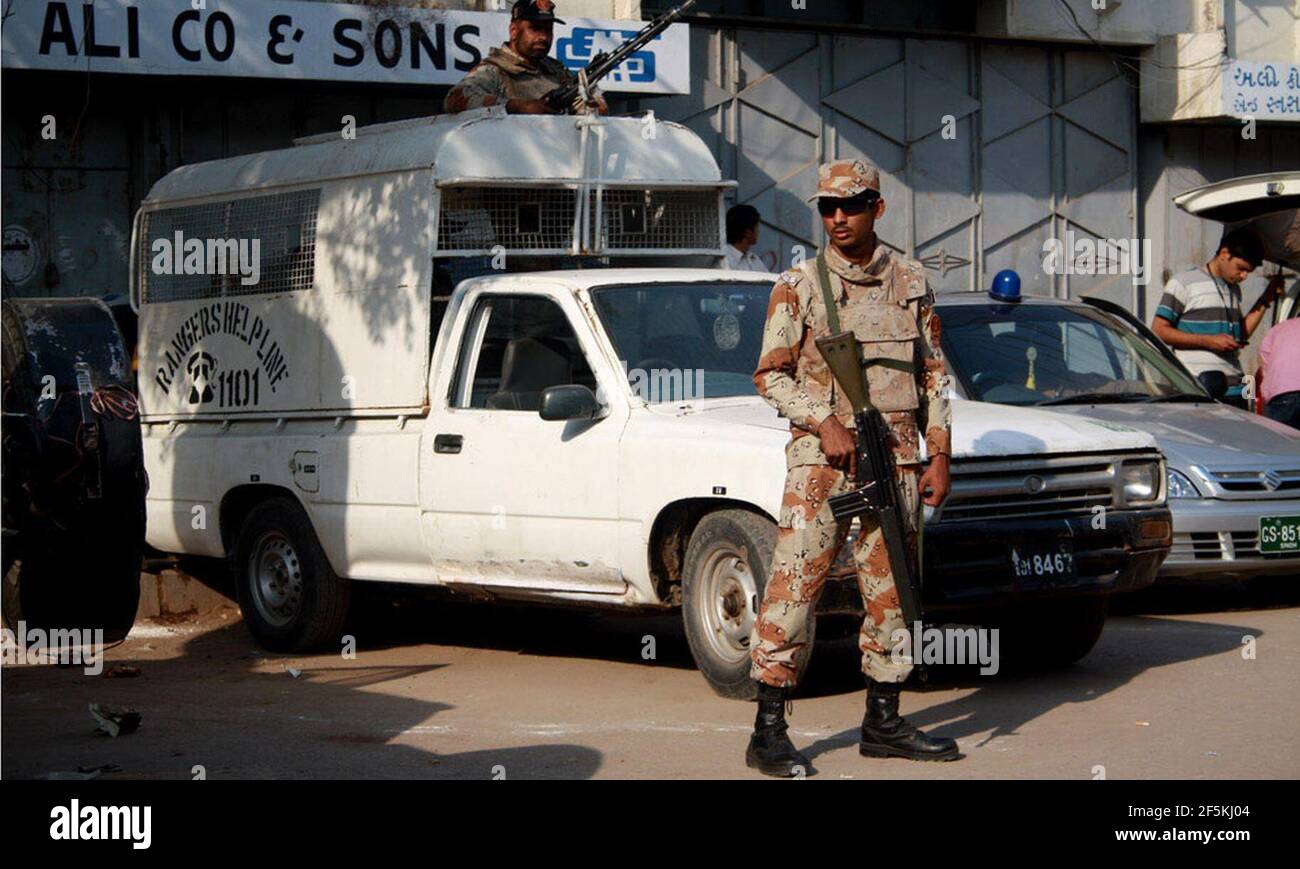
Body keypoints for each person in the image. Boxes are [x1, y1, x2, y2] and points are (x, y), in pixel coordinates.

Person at [745, 159, 957, 777]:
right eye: (828, 208)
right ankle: (768, 729)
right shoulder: (799, 285)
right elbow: (769, 374)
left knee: (891, 593)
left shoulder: (912, 281)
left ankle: (883, 720)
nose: (839, 218)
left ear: (877, 208)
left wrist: (938, 454)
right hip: (824, 464)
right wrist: (824, 420)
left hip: (896, 460)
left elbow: (933, 373)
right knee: (795, 588)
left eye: (853, 205)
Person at [1151, 228, 1285, 406]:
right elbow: (1159, 330)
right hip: (1200, 390)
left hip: (1237, 388)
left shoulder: (1233, 289)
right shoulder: (1183, 282)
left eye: (1248, 272)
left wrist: (1266, 298)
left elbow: (1241, 335)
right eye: (1241, 269)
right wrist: (1208, 341)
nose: (1243, 276)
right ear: (1224, 253)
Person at [443, 0, 607, 116]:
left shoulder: (556, 71)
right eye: (535, 28)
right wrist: (516, 106)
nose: (543, 37)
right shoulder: (494, 70)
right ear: (513, 31)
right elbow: (454, 99)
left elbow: (586, 103)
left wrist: (593, 104)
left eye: (548, 30)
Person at [1256, 312, 1300, 429]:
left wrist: (1268, 393)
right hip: (1283, 394)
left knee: (1280, 442)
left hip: (1281, 395)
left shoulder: (1278, 329)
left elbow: (1266, 363)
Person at [719, 204, 766, 271]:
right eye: (756, 227)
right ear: (748, 232)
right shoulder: (723, 260)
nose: (758, 231)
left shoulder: (753, 259)